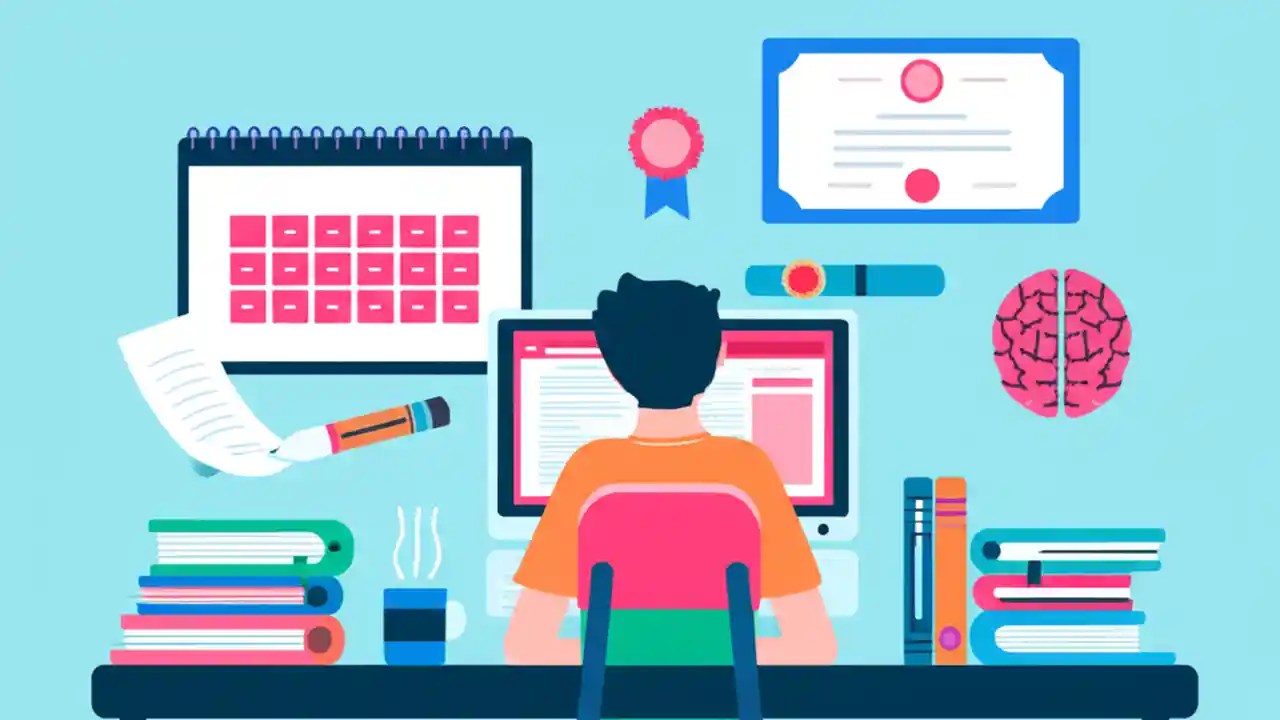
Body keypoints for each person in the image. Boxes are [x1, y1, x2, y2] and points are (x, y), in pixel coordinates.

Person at [504, 273, 837, 665]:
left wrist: (631, 656)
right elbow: (814, 647)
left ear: (614, 372)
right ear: (720, 355)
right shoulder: (748, 469)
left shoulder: (589, 470)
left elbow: (525, 648)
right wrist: (707, 656)